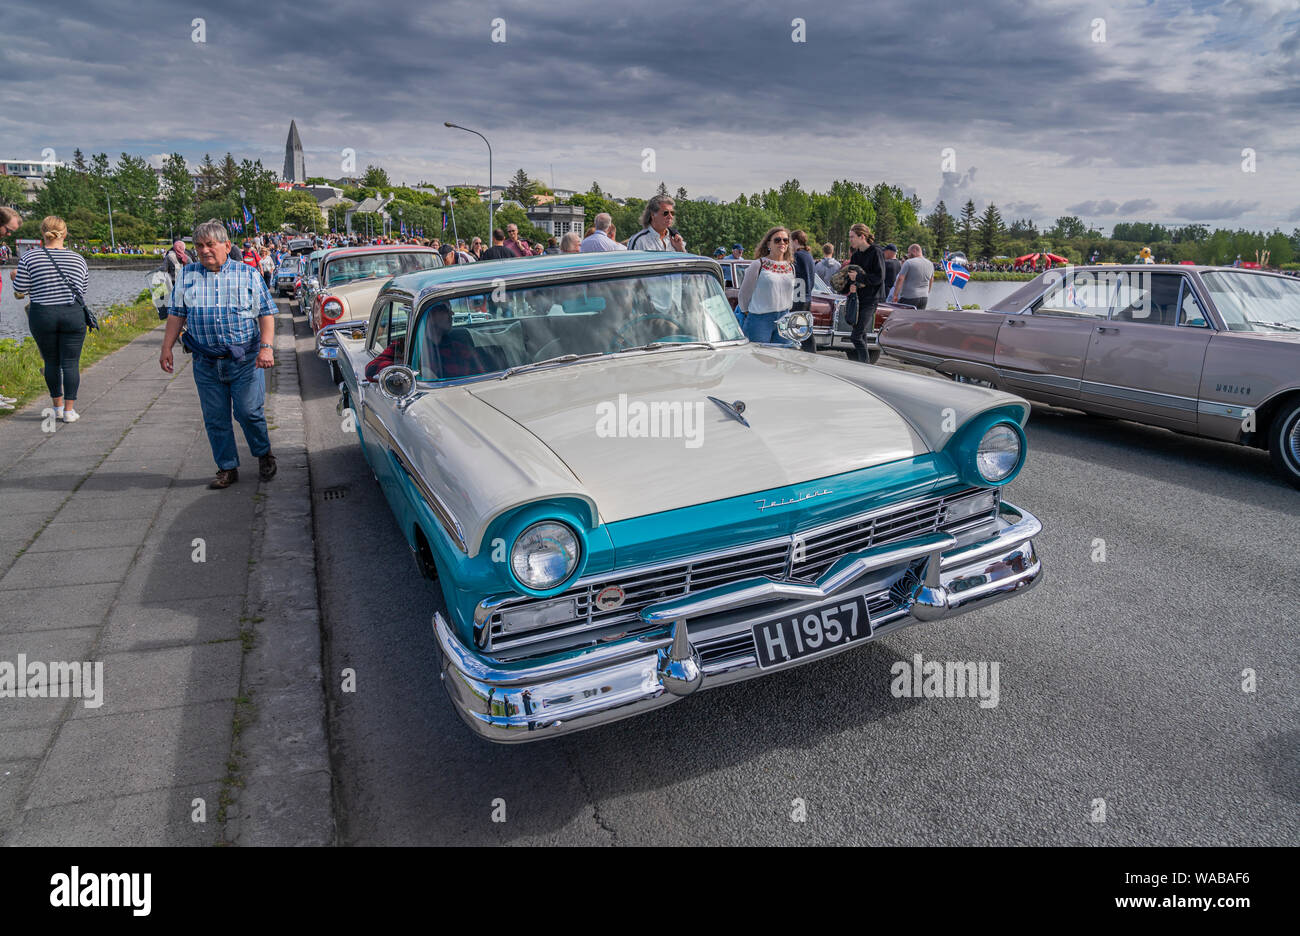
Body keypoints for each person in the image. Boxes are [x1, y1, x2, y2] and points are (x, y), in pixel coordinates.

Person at [159, 219, 277, 490]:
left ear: (226, 245)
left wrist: (266, 347)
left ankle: (263, 453)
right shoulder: (188, 276)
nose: (204, 250)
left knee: (249, 412)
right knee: (215, 417)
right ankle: (226, 467)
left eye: (210, 244)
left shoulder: (247, 274)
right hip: (206, 362)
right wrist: (166, 347)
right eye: (199, 246)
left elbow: (266, 313)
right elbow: (177, 313)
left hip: (245, 359)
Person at [12, 216, 91, 421]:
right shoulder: (78, 259)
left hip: (43, 315)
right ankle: (69, 411)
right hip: (72, 314)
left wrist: (15, 276)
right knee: (71, 363)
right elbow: (82, 291)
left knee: (51, 362)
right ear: (65, 234)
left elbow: (20, 289)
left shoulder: (29, 258)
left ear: (42, 233)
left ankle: (56, 407)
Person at [737, 226, 796, 347]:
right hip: (759, 320)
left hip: (784, 319)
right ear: (769, 244)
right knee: (757, 360)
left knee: (782, 360)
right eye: (777, 240)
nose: (782, 243)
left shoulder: (790, 267)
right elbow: (744, 295)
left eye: (785, 240)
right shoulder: (758, 265)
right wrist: (750, 313)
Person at [844, 223, 885, 363]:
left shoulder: (876, 252)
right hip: (858, 298)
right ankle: (865, 364)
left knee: (856, 335)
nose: (850, 240)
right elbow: (851, 276)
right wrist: (851, 285)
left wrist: (859, 278)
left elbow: (879, 277)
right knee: (861, 334)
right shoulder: (856, 256)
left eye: (852, 237)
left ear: (862, 237)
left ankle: (865, 364)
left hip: (871, 299)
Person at [890, 244, 934, 308]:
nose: (908, 255)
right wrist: (927, 293)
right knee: (917, 317)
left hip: (909, 297)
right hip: (924, 298)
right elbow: (931, 280)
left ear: (914, 250)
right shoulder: (930, 264)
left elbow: (900, 278)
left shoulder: (908, 262)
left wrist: (895, 295)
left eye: (909, 252)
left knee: (904, 317)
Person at [789, 230, 816, 314]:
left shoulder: (797, 255)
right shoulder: (808, 255)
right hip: (807, 298)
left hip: (798, 299)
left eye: (790, 242)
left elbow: (791, 276)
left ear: (795, 241)